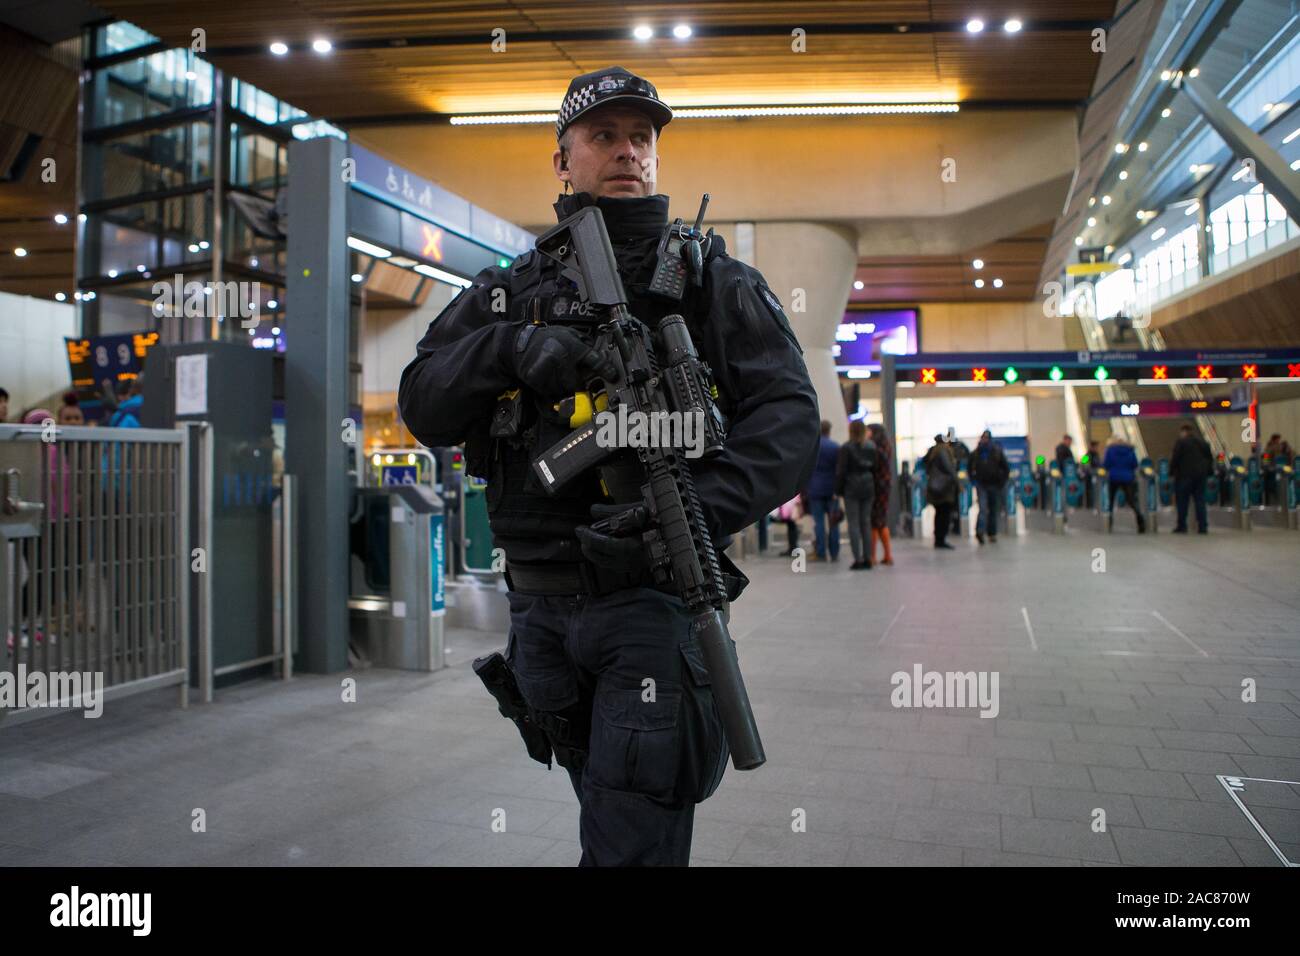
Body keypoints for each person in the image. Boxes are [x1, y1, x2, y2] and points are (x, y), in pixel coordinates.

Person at [397, 65, 819, 867]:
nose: (628, 150)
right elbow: (424, 401)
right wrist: (510, 347)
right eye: (603, 136)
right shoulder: (508, 291)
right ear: (562, 159)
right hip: (540, 614)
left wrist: (685, 513)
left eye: (642, 137)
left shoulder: (709, 281)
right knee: (605, 799)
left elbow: (790, 418)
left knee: (632, 832)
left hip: (648, 607)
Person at [835, 420, 877, 570]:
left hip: (851, 487)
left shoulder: (846, 448)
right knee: (866, 522)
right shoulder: (871, 446)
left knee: (853, 523)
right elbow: (875, 468)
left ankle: (857, 559)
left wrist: (838, 490)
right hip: (868, 486)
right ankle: (868, 558)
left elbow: (841, 471)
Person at [805, 420, 841, 562]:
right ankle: (834, 552)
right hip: (832, 490)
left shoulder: (812, 448)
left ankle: (820, 552)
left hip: (815, 489)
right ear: (829, 431)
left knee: (818, 522)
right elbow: (839, 470)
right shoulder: (836, 447)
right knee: (834, 522)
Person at [1169, 423, 1213, 534]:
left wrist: (1171, 472)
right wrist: (1208, 472)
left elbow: (1175, 458)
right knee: (1200, 500)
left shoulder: (1181, 443)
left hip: (1185, 476)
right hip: (1200, 476)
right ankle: (1203, 526)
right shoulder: (1203, 443)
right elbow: (1210, 459)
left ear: (1184, 432)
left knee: (1182, 501)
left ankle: (1182, 526)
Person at [970, 429, 1009, 544]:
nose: (985, 440)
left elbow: (1005, 468)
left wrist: (1001, 482)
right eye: (983, 438)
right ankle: (980, 531)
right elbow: (969, 468)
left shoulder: (997, 452)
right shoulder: (976, 453)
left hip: (994, 485)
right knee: (982, 509)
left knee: (993, 510)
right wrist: (974, 481)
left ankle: (991, 533)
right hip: (981, 485)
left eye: (987, 438)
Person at [1102, 433, 1145, 532]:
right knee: (1132, 501)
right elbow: (1134, 464)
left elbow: (1106, 464)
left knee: (1110, 501)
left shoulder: (1110, 450)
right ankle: (1140, 522)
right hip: (1128, 478)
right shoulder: (1130, 451)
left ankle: (1109, 523)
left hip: (1113, 477)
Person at [867, 422, 894, 566]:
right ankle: (887, 555)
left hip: (877, 487)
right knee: (880, 521)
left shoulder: (875, 449)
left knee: (875, 522)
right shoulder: (886, 446)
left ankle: (873, 556)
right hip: (884, 486)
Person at [924, 434, 958, 549]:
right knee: (944, 513)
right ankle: (940, 539)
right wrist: (957, 482)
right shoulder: (943, 451)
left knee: (939, 513)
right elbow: (949, 468)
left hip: (934, 486)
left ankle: (938, 538)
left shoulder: (932, 451)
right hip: (944, 487)